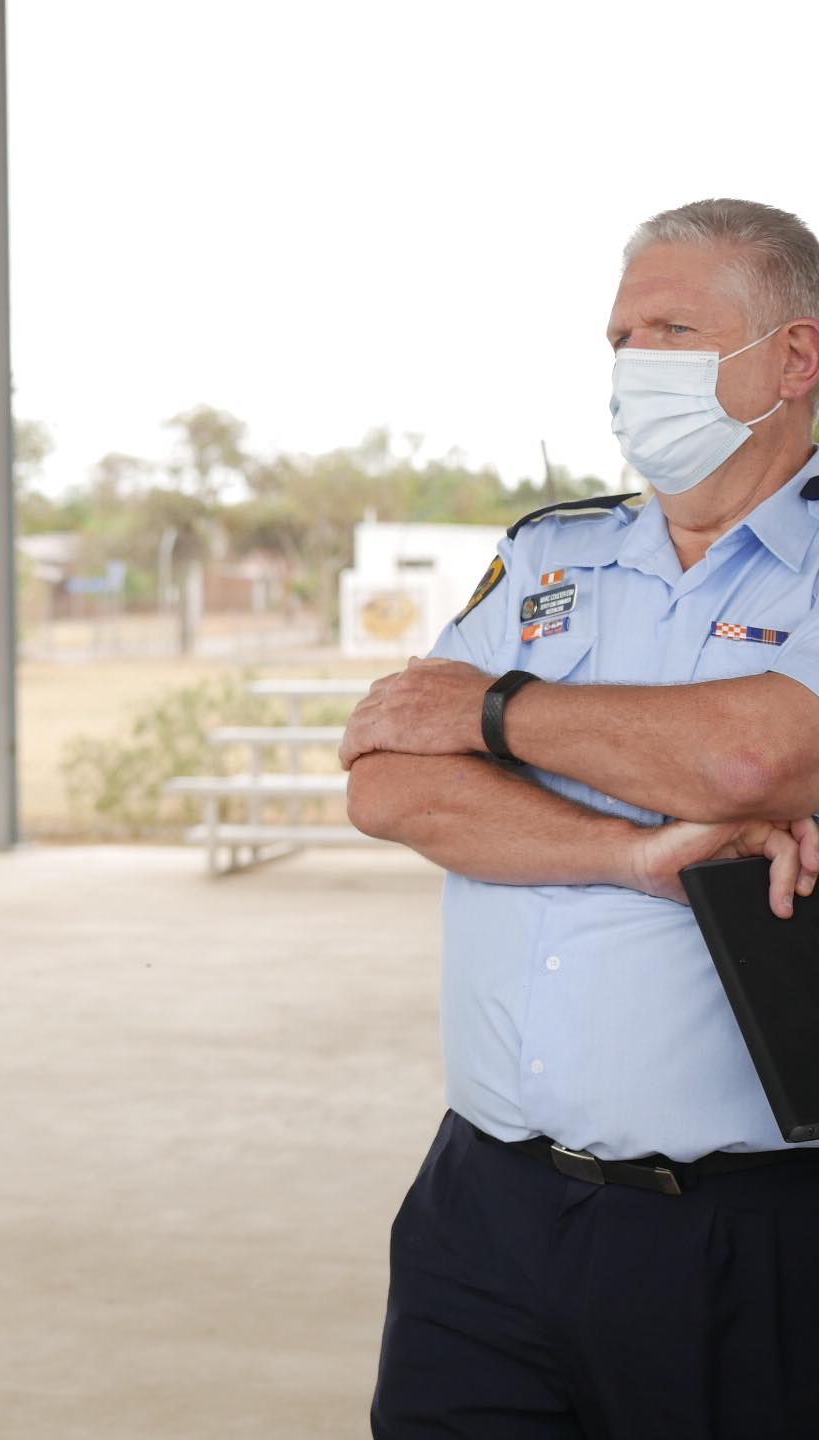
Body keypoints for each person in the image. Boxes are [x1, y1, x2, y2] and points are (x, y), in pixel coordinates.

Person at [341, 198, 819, 1437]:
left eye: (672, 328)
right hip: (484, 1210)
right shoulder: (556, 555)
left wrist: (492, 710)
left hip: (751, 1231)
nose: (633, 366)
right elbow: (387, 778)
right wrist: (635, 853)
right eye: (619, 338)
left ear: (797, 357)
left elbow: (752, 753)